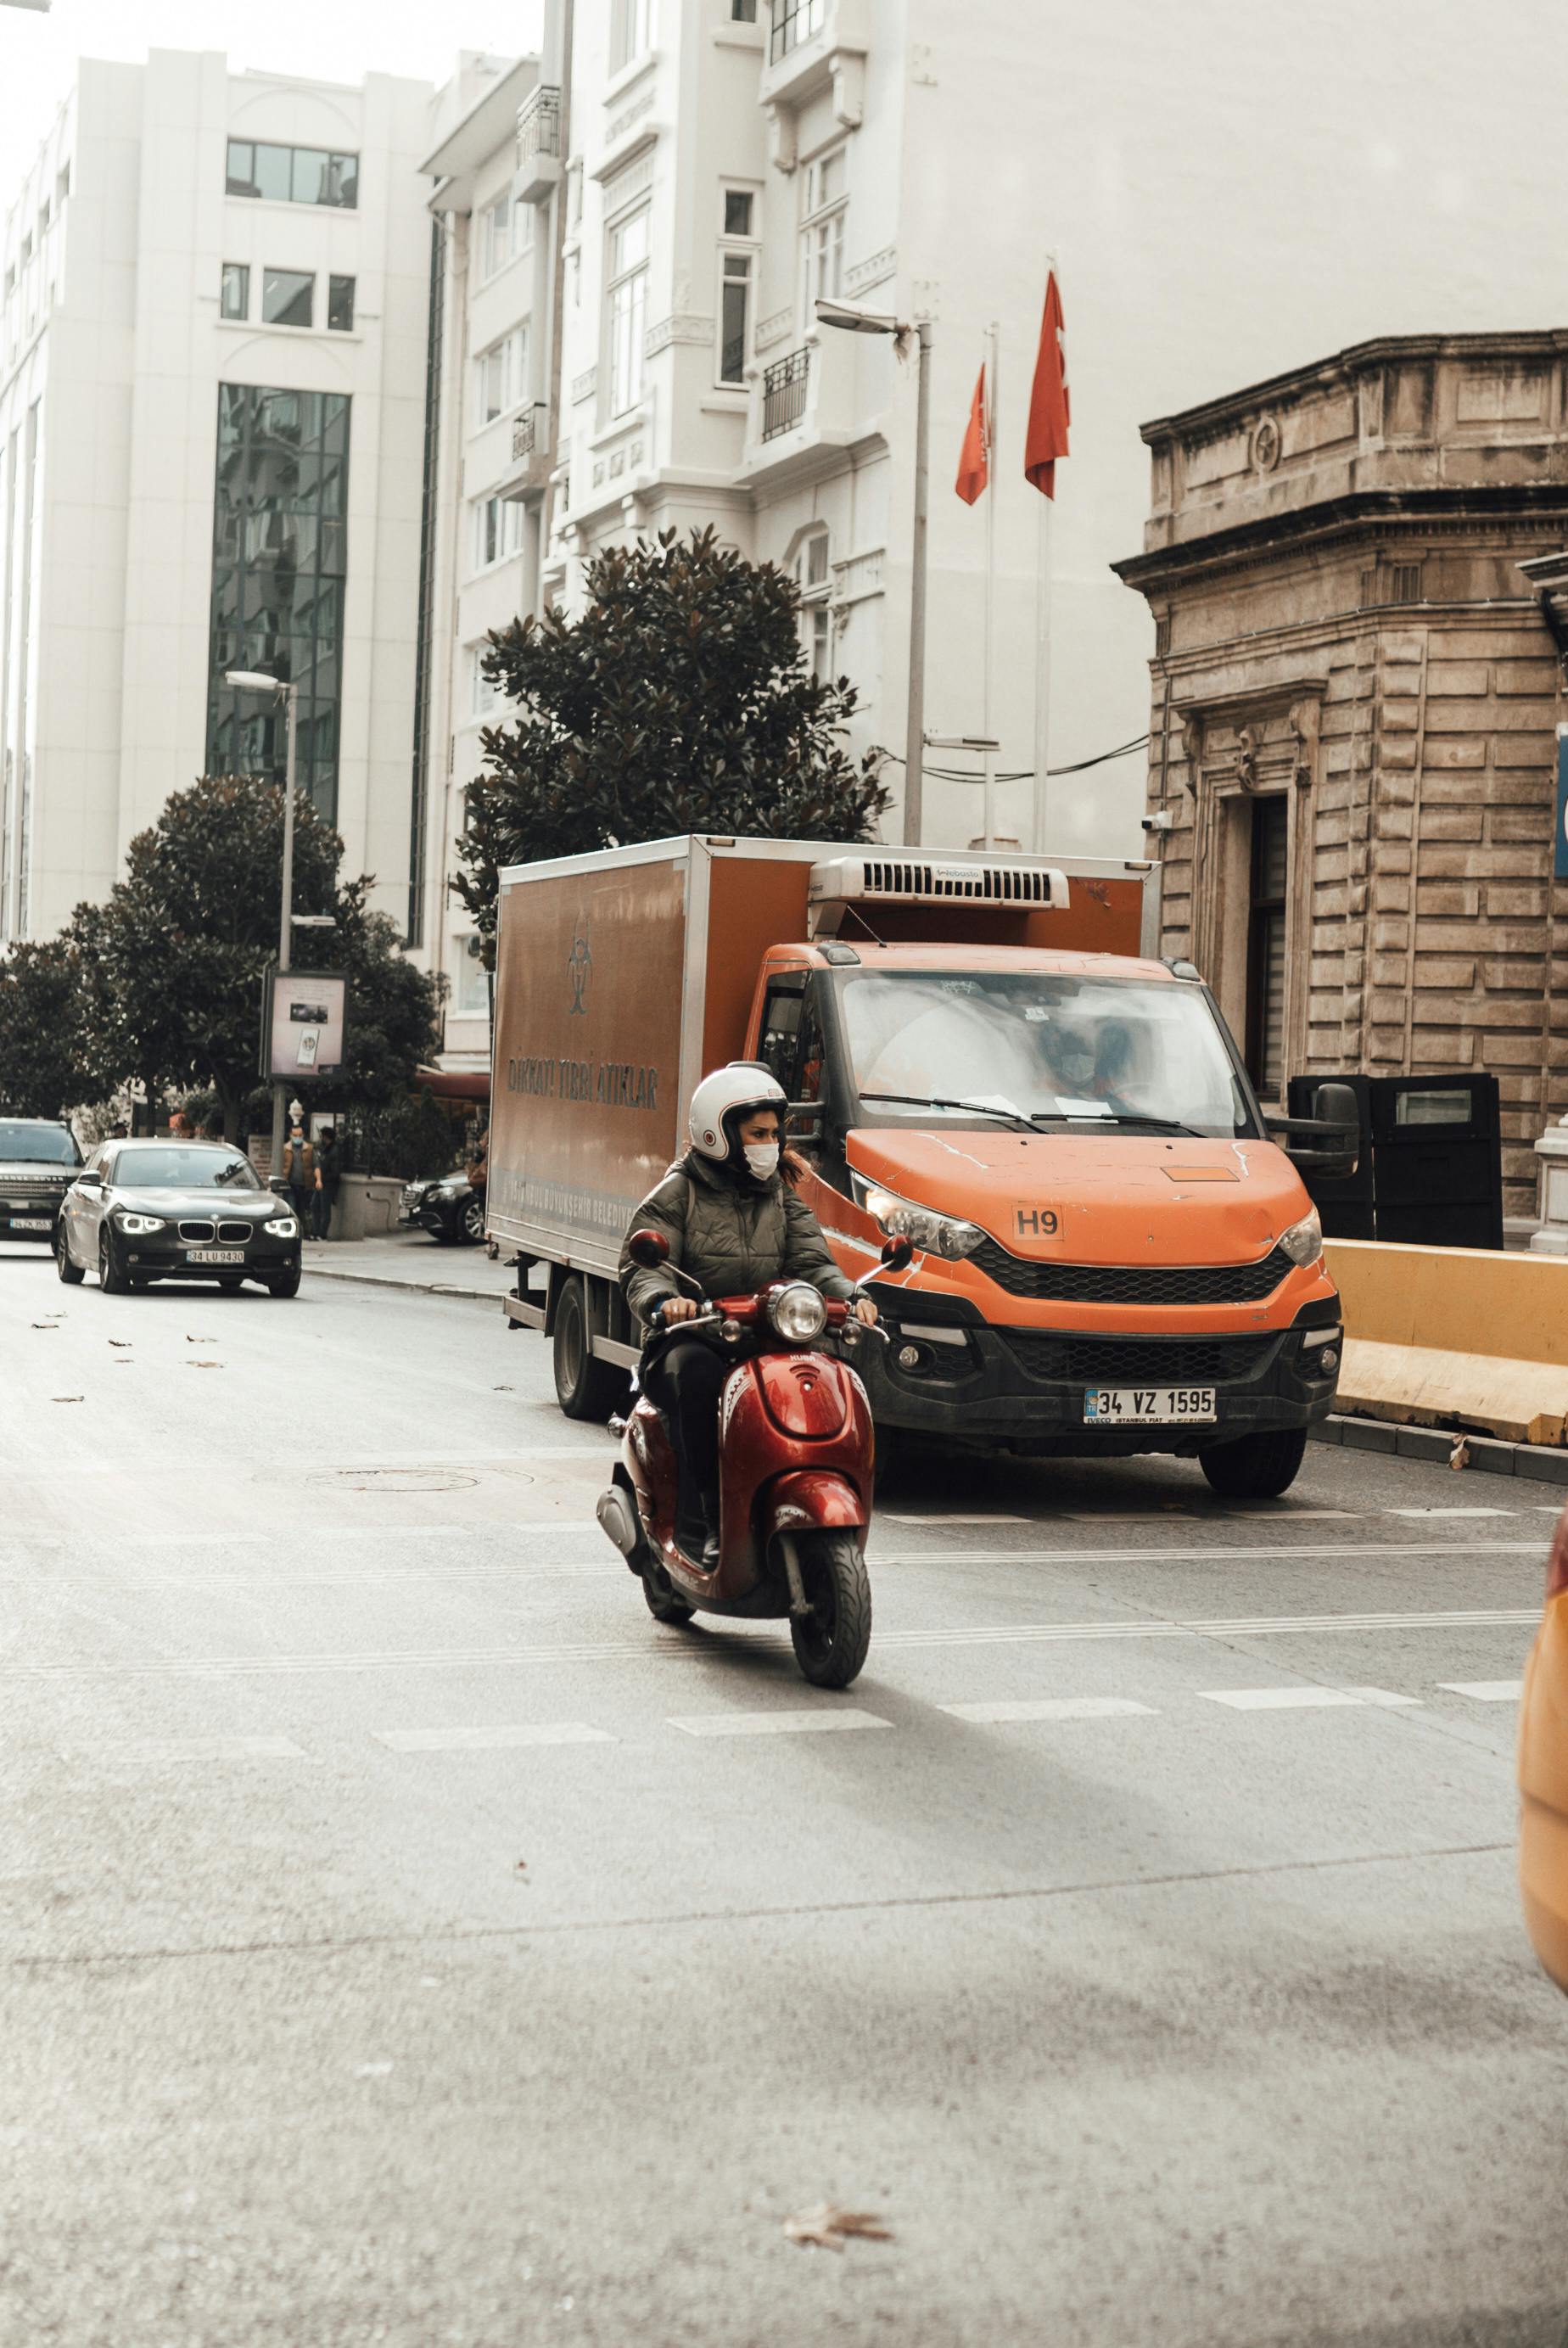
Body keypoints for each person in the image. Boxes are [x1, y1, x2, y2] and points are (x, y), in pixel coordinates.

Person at [619, 1063, 876, 1568]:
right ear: (718, 1133)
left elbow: (813, 1263)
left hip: (765, 1334)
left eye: (775, 1133)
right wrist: (664, 1302)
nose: (771, 1143)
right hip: (694, 1335)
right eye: (758, 1133)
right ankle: (704, 1523)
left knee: (828, 1375)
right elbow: (641, 1266)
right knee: (697, 1379)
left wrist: (853, 1297)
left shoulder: (781, 1196)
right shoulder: (679, 1192)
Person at [281, 1118, 314, 1229]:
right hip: (289, 1184)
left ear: (303, 1135)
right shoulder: (285, 1149)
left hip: (304, 1185)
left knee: (301, 1210)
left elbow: (316, 1165)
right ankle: (291, 1230)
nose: (298, 1137)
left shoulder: (309, 1149)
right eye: (295, 1135)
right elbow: (280, 1166)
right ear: (291, 1135)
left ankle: (301, 1231)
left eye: (300, 1135)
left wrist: (317, 1180)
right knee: (292, 1207)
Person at [312, 1125, 341, 1241]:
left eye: (322, 1136)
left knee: (325, 1209)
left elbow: (335, 1171)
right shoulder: (326, 1149)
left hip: (328, 1184)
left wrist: (323, 1178)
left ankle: (322, 1234)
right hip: (321, 1183)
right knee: (315, 1206)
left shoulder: (334, 1151)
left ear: (326, 1137)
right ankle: (316, 1232)